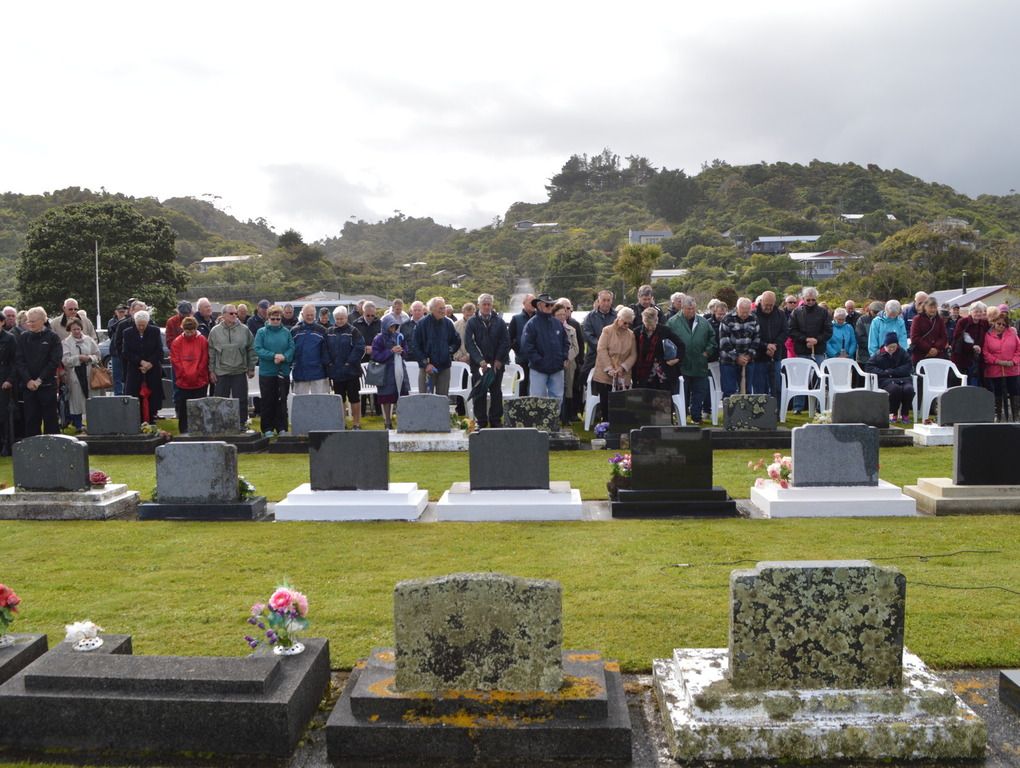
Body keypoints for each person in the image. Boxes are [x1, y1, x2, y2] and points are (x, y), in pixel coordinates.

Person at [668, 296, 716, 424]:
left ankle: (696, 417)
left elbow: (712, 338)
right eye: (688, 309)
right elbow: (667, 341)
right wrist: (674, 356)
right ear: (682, 308)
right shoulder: (673, 322)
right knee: (682, 392)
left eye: (693, 308)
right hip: (681, 364)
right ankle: (681, 417)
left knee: (699, 392)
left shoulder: (703, 322)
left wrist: (707, 352)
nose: (691, 311)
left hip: (700, 363)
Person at [465, 293, 510, 429]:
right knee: (480, 392)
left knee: (496, 392)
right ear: (478, 305)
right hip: (479, 365)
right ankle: (481, 421)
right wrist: (480, 361)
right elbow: (469, 343)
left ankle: (495, 420)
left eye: (488, 304)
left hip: (496, 364)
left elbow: (505, 342)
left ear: (492, 305)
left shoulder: (499, 322)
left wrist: (498, 360)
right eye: (484, 304)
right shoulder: (472, 322)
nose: (486, 307)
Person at [16, 307, 63, 436]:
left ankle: (52, 446)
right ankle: (32, 447)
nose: (29, 324)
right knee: (31, 421)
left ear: (43, 320)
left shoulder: (53, 337)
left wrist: (39, 380)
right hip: (29, 387)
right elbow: (19, 360)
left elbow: (54, 361)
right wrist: (28, 380)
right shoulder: (23, 337)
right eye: (28, 321)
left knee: (50, 421)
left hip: (47, 386)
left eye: (33, 321)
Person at [208, 304, 257, 428]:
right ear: (223, 315)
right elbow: (211, 352)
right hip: (221, 371)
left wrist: (251, 367)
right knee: (220, 400)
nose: (235, 315)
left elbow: (251, 349)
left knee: (241, 400)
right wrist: (211, 371)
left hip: (239, 370)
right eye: (231, 313)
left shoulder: (245, 330)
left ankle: (242, 424)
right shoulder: (215, 331)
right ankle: (220, 425)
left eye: (236, 313)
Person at [253, 305, 295, 436]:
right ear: (268, 318)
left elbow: (292, 348)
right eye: (273, 319)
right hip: (267, 372)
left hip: (283, 371)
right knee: (267, 400)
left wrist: (284, 357)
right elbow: (258, 349)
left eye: (278, 319)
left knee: (282, 400)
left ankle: (282, 427)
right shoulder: (261, 332)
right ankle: (267, 428)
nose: (276, 321)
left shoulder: (286, 332)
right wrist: (273, 356)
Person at [520, 293, 570, 400]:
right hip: (539, 369)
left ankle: (556, 413)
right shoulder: (531, 324)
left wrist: (563, 357)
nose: (550, 307)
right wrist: (539, 361)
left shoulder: (557, 323)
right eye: (547, 305)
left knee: (558, 399)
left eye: (552, 305)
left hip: (557, 368)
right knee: (537, 399)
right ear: (539, 306)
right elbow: (527, 346)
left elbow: (565, 342)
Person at [592, 307, 637, 422]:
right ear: (619, 318)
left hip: (622, 374)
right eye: (624, 322)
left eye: (629, 323)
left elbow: (633, 355)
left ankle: (619, 425)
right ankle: (606, 424)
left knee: (621, 403)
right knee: (606, 402)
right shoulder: (607, 330)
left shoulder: (631, 335)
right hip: (605, 374)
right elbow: (601, 349)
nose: (626, 325)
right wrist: (609, 368)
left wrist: (623, 367)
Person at [121, 309, 164, 424]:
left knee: (153, 394)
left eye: (143, 325)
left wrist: (150, 363)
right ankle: (136, 419)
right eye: (138, 325)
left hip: (152, 368)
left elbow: (159, 350)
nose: (141, 327)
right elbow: (126, 352)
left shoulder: (155, 331)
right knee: (134, 393)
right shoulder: (127, 333)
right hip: (135, 368)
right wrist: (141, 362)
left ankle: (151, 417)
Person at [325, 306, 364, 430]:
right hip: (336, 372)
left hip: (351, 372)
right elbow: (324, 349)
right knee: (339, 399)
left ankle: (356, 423)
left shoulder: (353, 331)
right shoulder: (329, 332)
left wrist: (349, 362)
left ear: (346, 318)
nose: (339, 321)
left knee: (354, 398)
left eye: (342, 318)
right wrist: (329, 363)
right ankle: (342, 423)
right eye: (337, 319)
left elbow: (359, 348)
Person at [411, 297, 460, 395]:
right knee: (425, 399)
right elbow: (415, 346)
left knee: (442, 399)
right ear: (432, 309)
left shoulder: (448, 323)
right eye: (440, 308)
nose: (443, 311)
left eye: (444, 308)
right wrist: (426, 364)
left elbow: (456, 341)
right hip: (427, 368)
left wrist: (448, 351)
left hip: (444, 367)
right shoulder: (422, 324)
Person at [170, 316, 210, 434]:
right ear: (183, 329)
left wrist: (197, 373)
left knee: (199, 407)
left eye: (192, 331)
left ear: (195, 329)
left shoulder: (202, 340)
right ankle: (184, 430)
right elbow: (175, 361)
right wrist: (184, 374)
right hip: (184, 381)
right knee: (183, 407)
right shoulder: (177, 342)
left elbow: (204, 359)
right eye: (187, 332)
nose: (189, 334)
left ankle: (200, 429)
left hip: (200, 380)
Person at [60, 318, 100, 432]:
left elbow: (98, 355)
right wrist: (78, 358)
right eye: (74, 329)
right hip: (75, 374)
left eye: (78, 329)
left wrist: (89, 358)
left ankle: (93, 424)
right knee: (76, 401)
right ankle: (78, 425)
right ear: (70, 330)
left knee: (91, 399)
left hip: (89, 372)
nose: (77, 331)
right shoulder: (66, 343)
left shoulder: (89, 340)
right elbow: (65, 360)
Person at [865, 332, 914, 424]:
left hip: (903, 379)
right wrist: (884, 372)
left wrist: (893, 371)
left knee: (909, 389)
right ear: (885, 346)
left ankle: (905, 414)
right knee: (895, 390)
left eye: (894, 347)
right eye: (889, 347)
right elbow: (869, 367)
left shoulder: (902, 353)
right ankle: (893, 413)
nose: (892, 349)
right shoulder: (878, 354)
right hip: (886, 380)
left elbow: (908, 366)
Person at [632, 306, 684, 392]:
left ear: (657, 320)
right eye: (647, 325)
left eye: (652, 325)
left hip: (663, 373)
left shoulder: (665, 331)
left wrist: (677, 359)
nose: (650, 328)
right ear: (643, 321)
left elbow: (681, 345)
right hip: (644, 374)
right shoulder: (637, 333)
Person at [371, 316, 410, 430]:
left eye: (394, 326)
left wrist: (402, 351)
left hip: (399, 370)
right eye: (390, 326)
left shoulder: (399, 336)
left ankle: (402, 420)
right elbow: (376, 356)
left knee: (402, 395)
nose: (392, 329)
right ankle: (387, 421)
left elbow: (406, 351)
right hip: (385, 372)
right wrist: (390, 351)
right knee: (386, 397)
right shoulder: (379, 339)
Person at [718, 298, 759, 399]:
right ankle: (730, 410)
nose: (745, 314)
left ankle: (745, 410)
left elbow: (757, 338)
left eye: (747, 312)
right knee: (730, 392)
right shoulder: (727, 319)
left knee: (747, 392)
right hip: (729, 361)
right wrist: (737, 357)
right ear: (737, 308)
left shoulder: (754, 318)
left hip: (748, 360)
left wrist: (749, 355)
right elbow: (724, 342)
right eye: (742, 312)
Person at [983, 313, 1020, 421]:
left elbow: (1018, 349)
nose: (1001, 326)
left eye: (1004, 324)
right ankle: (998, 416)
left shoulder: (1012, 334)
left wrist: (1013, 361)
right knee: (997, 391)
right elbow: (985, 352)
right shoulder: (988, 335)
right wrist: (997, 361)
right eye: (999, 323)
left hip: (1011, 368)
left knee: (1014, 390)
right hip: (995, 369)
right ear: (994, 323)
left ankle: (1016, 416)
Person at [290, 303, 330, 395]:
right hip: (300, 371)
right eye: (307, 315)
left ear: (315, 315)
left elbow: (326, 352)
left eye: (311, 315)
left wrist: (327, 368)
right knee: (301, 400)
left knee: (319, 400)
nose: (309, 317)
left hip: (319, 372)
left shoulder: (322, 330)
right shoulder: (294, 331)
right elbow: (290, 350)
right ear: (302, 314)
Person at [753, 291, 787, 396]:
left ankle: (777, 406)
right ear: (761, 302)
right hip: (759, 357)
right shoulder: (753, 315)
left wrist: (774, 345)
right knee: (760, 389)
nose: (768, 307)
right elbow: (753, 335)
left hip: (775, 356)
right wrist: (766, 346)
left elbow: (785, 332)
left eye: (771, 305)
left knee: (776, 387)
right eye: (766, 305)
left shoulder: (780, 314)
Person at [558, 297, 586, 422]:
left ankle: (571, 414)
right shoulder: (553, 323)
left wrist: (579, 362)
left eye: (568, 308)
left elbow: (580, 344)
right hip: (557, 361)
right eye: (563, 308)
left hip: (573, 361)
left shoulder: (575, 324)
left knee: (572, 388)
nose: (566, 311)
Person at [581, 290, 616, 385]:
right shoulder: (590, 317)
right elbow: (588, 335)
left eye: (608, 300)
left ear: (611, 301)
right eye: (604, 300)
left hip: (613, 355)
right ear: (599, 301)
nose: (606, 303)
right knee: (583, 375)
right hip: (594, 354)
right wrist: (602, 348)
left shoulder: (617, 317)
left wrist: (610, 349)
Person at [952, 302, 989, 387]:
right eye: (976, 311)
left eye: (980, 311)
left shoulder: (984, 323)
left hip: (977, 358)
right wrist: (972, 346)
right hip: (962, 357)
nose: (978, 314)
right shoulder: (963, 322)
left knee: (976, 381)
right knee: (963, 381)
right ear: (970, 312)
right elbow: (958, 337)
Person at [554, 302, 580, 423]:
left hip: (569, 363)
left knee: (568, 389)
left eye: (563, 314)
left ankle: (567, 417)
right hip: (555, 363)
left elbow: (576, 348)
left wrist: (567, 358)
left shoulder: (572, 329)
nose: (561, 317)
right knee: (556, 389)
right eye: (559, 315)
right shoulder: (551, 330)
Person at [509, 293, 536, 396]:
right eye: (530, 302)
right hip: (522, 359)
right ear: (524, 303)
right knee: (522, 385)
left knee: (535, 386)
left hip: (536, 359)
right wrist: (518, 349)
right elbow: (509, 339)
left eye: (534, 302)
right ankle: (521, 404)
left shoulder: (538, 318)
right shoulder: (516, 319)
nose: (533, 304)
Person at [909, 297, 948, 366]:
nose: (933, 310)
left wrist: (936, 349)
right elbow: (914, 337)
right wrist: (928, 349)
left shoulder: (939, 320)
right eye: (931, 307)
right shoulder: (917, 319)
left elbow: (944, 337)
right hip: (921, 355)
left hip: (937, 355)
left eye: (935, 307)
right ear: (925, 307)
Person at [0, 324, 15, 454]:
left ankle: (6, 444)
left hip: (3, 380)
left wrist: (10, 380)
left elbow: (14, 361)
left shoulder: (9, 338)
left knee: (4, 414)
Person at [855, 301, 883, 367]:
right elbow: (860, 338)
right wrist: (873, 347)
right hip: (864, 357)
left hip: (881, 356)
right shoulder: (862, 320)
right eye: (875, 312)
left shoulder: (883, 320)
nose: (877, 314)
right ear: (870, 310)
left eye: (879, 312)